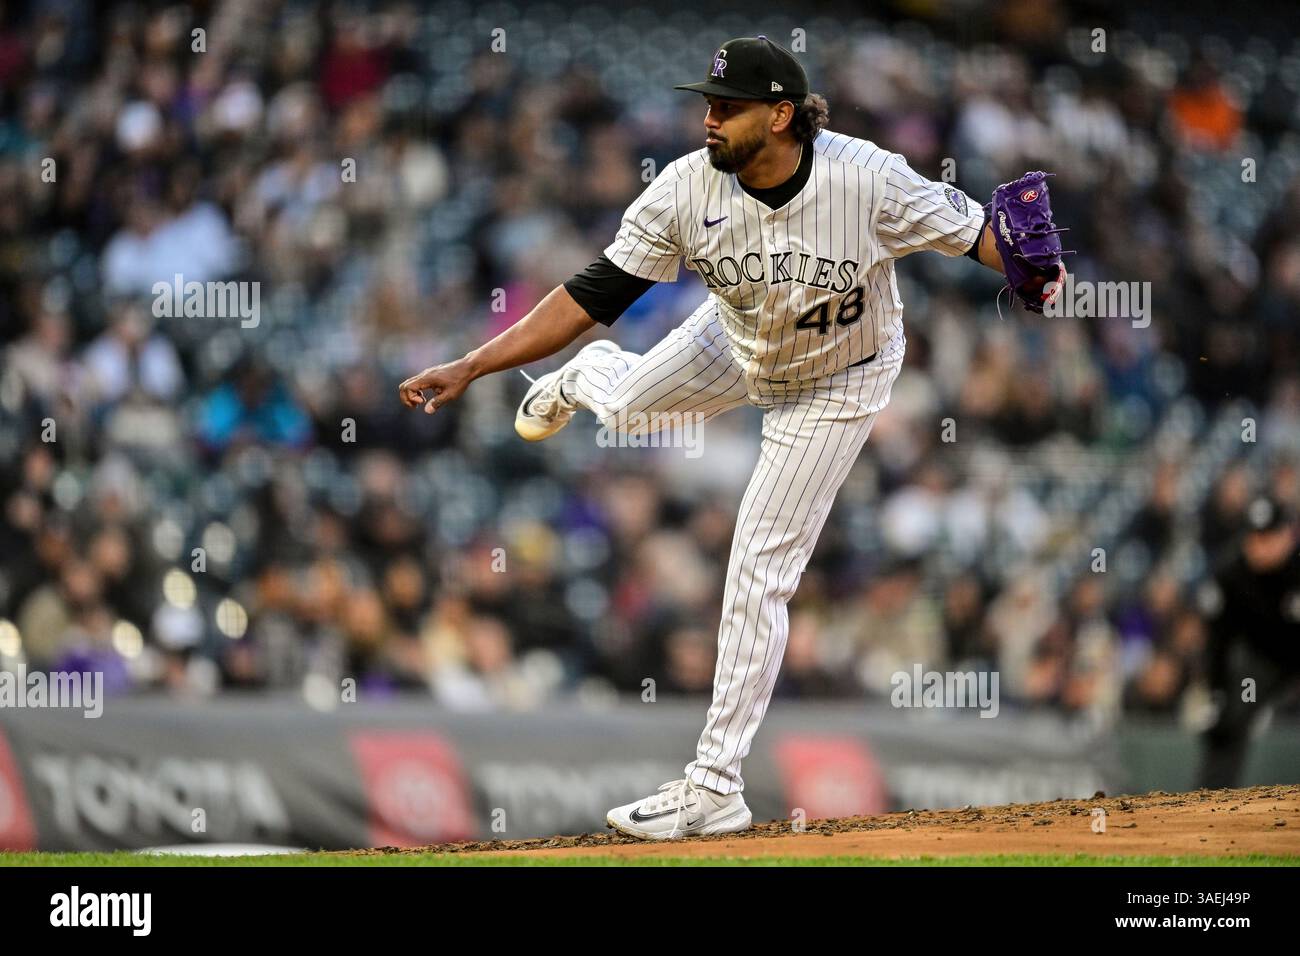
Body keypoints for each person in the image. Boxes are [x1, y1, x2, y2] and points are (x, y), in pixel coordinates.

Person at [398, 36, 1067, 839]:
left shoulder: (868, 178)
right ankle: (585, 380)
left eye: (726, 107)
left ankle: (714, 785)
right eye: (706, 104)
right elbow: (590, 295)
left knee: (759, 564)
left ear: (782, 115)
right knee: (624, 410)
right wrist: (473, 364)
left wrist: (1033, 268)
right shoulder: (684, 189)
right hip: (740, 342)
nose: (708, 119)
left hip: (840, 379)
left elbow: (982, 237)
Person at [1197, 495, 1300, 789]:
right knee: (1231, 716)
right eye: (1255, 537)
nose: (1261, 546)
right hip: (1263, 659)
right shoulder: (1232, 574)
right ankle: (1211, 798)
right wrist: (1216, 692)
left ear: (1288, 535)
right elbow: (1218, 642)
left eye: (1269, 536)